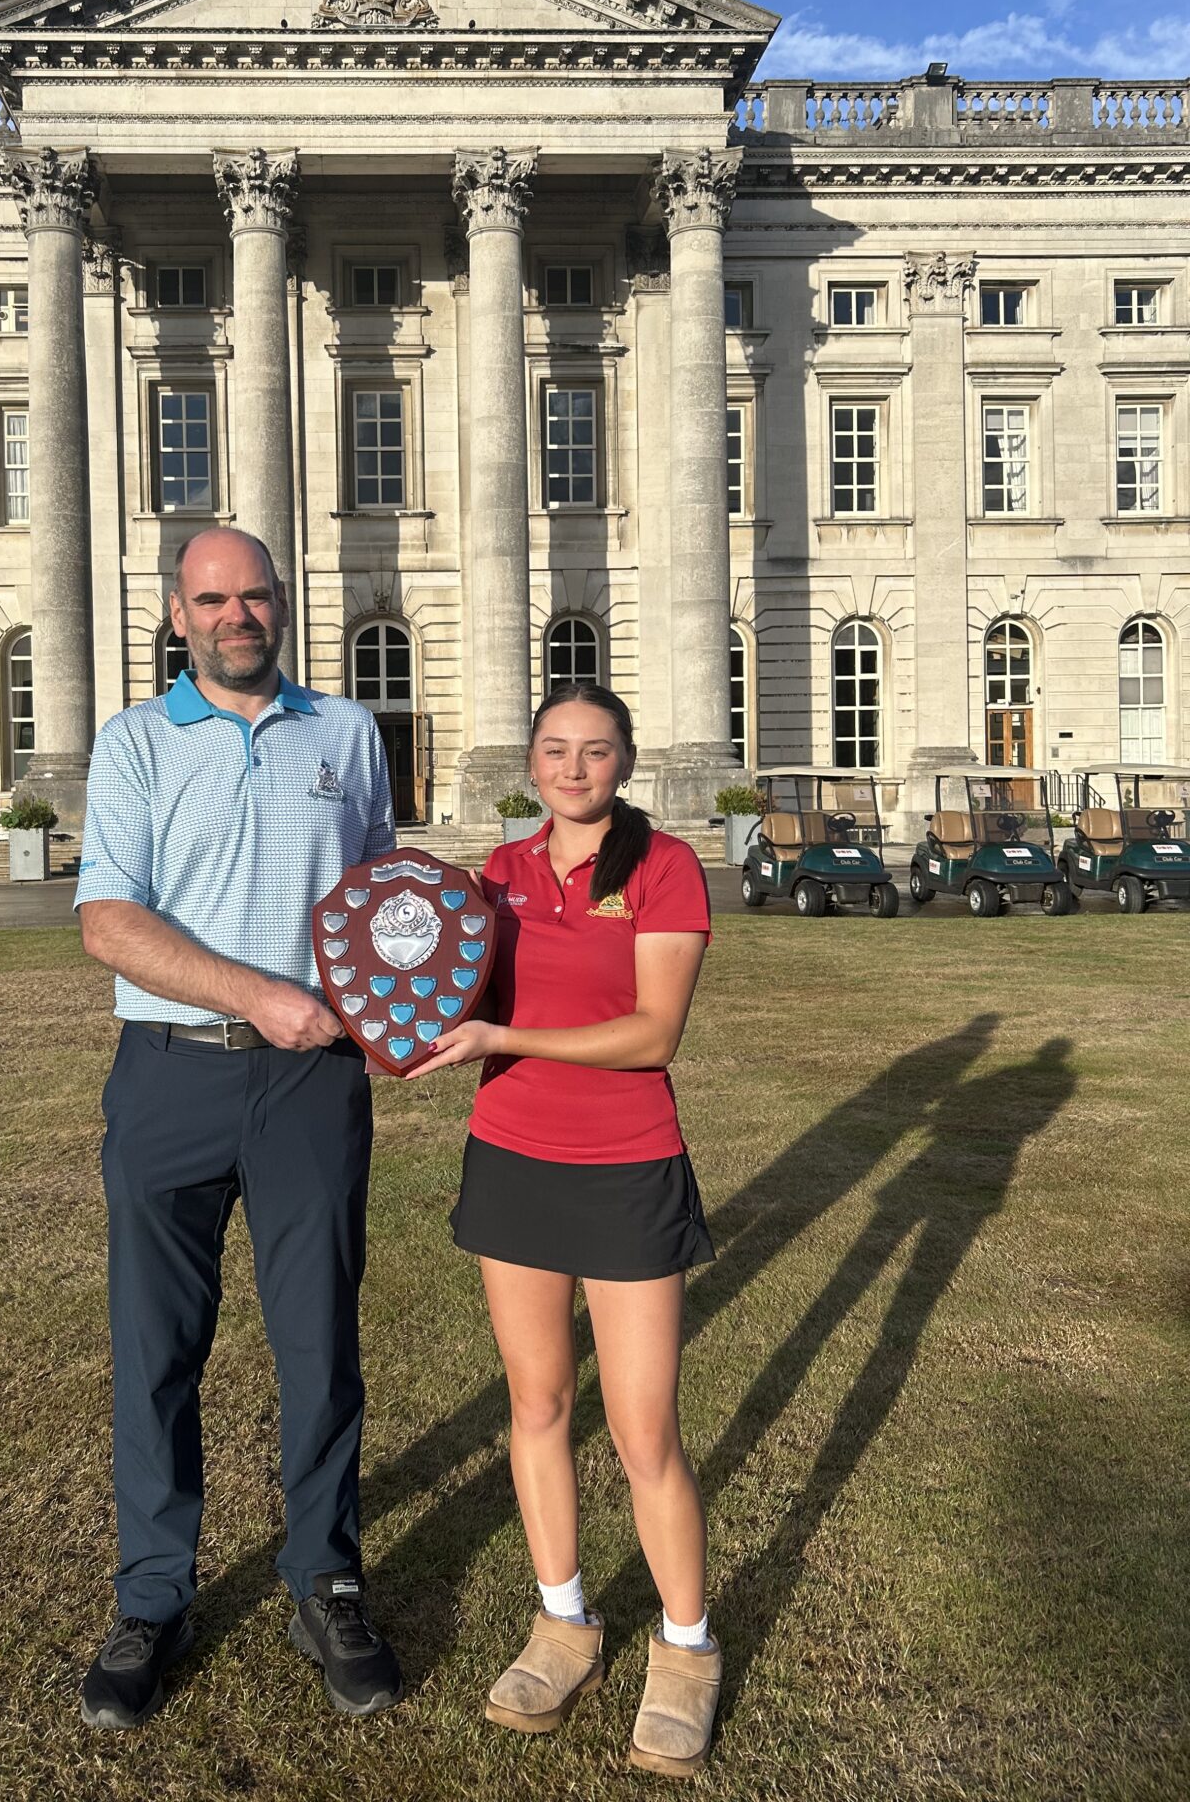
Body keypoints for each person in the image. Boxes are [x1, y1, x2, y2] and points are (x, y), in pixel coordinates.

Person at [73, 526, 403, 1730]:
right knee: (157, 1345)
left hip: (312, 1083)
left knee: (319, 1341)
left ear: (281, 603)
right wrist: (259, 993)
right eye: (212, 599)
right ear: (179, 613)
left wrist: (411, 997)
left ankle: (325, 1578)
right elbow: (109, 920)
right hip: (171, 1075)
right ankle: (153, 1597)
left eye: (254, 595)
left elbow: (381, 896)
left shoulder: (347, 734)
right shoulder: (135, 740)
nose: (236, 616)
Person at [411, 682, 719, 1780]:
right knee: (537, 1404)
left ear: (624, 760)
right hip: (512, 1157)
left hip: (627, 1165)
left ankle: (687, 1647)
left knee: (644, 1433)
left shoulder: (664, 866)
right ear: (532, 761)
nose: (573, 768)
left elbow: (653, 1033)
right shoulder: (497, 874)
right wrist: (398, 1002)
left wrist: (505, 1034)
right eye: (555, 749)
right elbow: (448, 989)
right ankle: (563, 1621)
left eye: (594, 750)